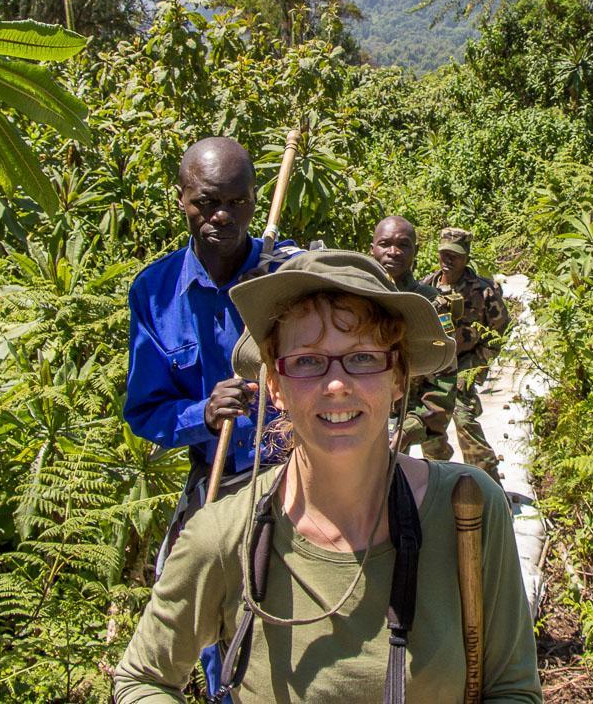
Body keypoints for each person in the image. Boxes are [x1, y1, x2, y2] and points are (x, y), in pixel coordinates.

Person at [113, 250, 541, 703]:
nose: (336, 383)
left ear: (398, 377)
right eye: (307, 362)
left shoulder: (469, 510)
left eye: (361, 357)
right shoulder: (225, 535)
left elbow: (511, 688)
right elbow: (143, 679)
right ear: (273, 386)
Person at [123, 136, 293, 697]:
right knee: (213, 605)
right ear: (182, 199)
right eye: (206, 202)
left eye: (237, 202)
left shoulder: (285, 274)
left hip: (295, 472)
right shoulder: (154, 291)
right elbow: (146, 412)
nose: (222, 216)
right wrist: (203, 412)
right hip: (218, 480)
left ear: (253, 200)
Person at [421, 227, 508, 484]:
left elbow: (498, 333)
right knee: (430, 428)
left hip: (464, 366)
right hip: (433, 369)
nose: (448, 260)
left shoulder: (484, 291)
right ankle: (439, 483)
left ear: (466, 258)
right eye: (444, 254)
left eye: (454, 256)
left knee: (465, 419)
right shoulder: (426, 287)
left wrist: (474, 368)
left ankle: (488, 484)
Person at [369, 215, 457, 455]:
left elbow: (444, 374)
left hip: (406, 419)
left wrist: (412, 425)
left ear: (415, 250)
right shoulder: (357, 299)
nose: (394, 252)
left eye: (403, 245)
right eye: (385, 244)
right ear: (372, 249)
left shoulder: (431, 304)